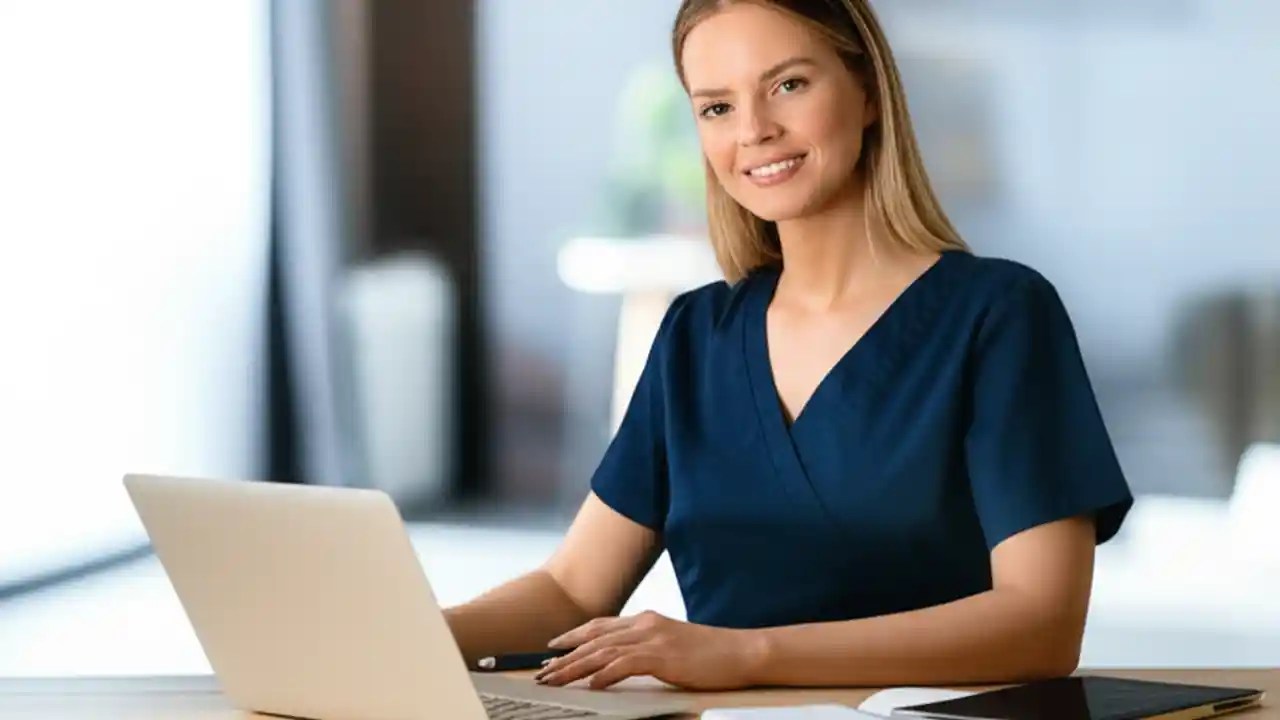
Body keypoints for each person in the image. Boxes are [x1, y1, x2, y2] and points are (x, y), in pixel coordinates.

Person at [445, 0, 1133, 691]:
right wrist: (397, 627)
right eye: (716, 108)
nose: (755, 131)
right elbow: (571, 592)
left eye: (788, 85)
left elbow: (1042, 625)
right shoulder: (696, 336)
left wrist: (745, 654)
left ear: (866, 92)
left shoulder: (999, 315)